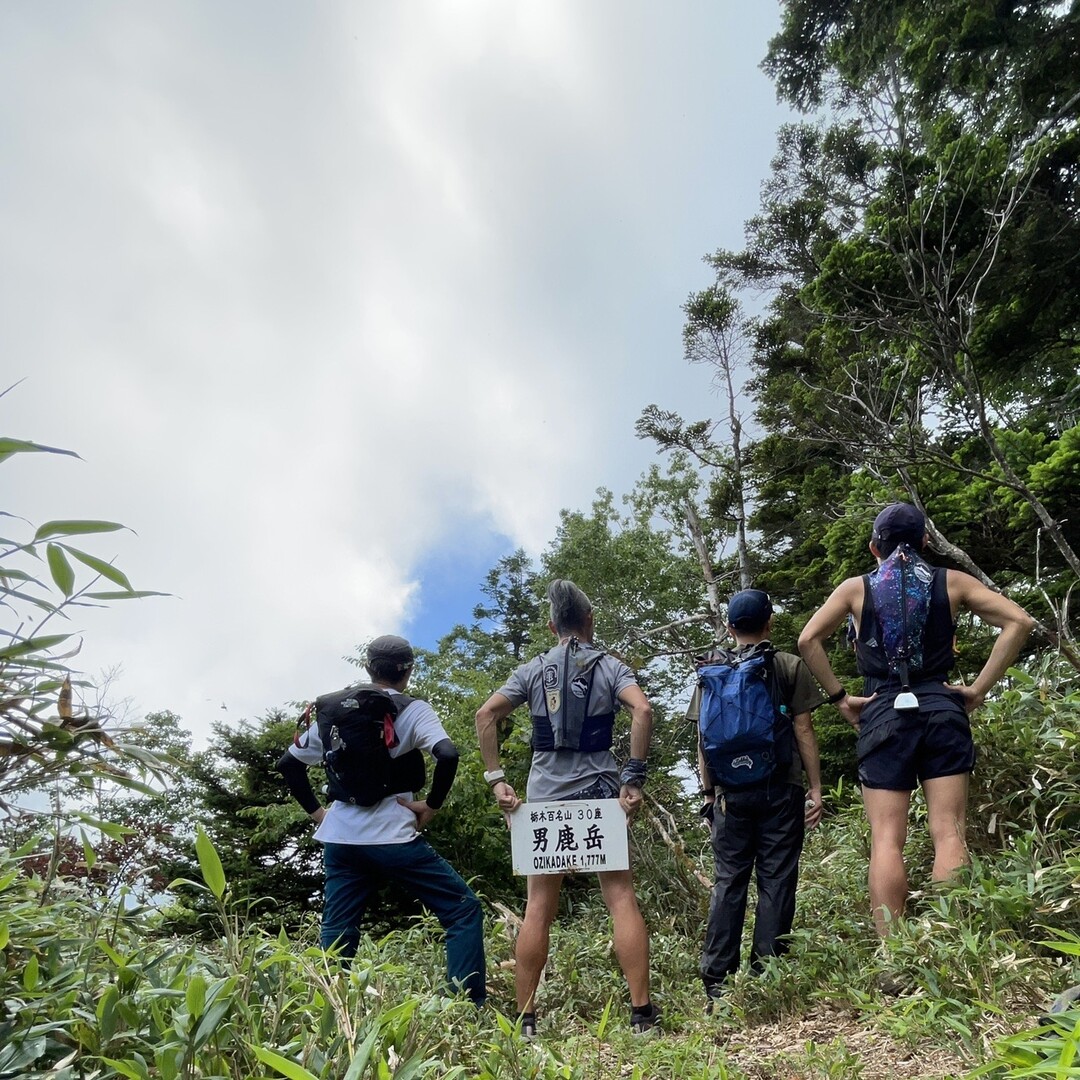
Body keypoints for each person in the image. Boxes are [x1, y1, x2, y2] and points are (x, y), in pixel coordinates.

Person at [798, 502, 1034, 934]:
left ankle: (893, 951)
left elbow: (808, 638)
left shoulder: (855, 589)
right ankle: (953, 942)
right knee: (949, 832)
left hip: (883, 711)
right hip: (942, 709)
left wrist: (841, 698)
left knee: (887, 838)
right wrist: (978, 690)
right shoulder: (952, 581)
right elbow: (1019, 621)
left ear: (875, 548)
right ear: (926, 541)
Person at [474, 579, 661, 1037]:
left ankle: (526, 1021)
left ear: (551, 624)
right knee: (620, 898)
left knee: (538, 907)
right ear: (590, 621)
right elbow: (643, 711)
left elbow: (485, 715)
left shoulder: (533, 670)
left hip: (545, 799)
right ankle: (641, 1014)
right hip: (599, 793)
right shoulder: (611, 666)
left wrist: (498, 780)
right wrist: (632, 778)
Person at [278, 634, 486, 1005]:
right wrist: (431, 806)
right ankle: (463, 1007)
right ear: (408, 669)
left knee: (339, 929)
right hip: (394, 836)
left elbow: (289, 765)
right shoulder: (413, 710)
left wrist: (319, 815)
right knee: (462, 910)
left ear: (368, 667)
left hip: (341, 840)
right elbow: (447, 755)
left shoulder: (336, 712)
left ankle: (328, 1010)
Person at [691, 589, 823, 1005]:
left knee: (729, 881)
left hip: (730, 794)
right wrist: (815, 788)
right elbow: (803, 729)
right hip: (780, 788)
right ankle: (766, 974)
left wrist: (710, 794)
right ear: (770, 622)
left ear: (730, 627)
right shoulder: (787, 665)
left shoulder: (711, 674)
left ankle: (716, 982)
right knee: (777, 880)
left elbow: (703, 741)